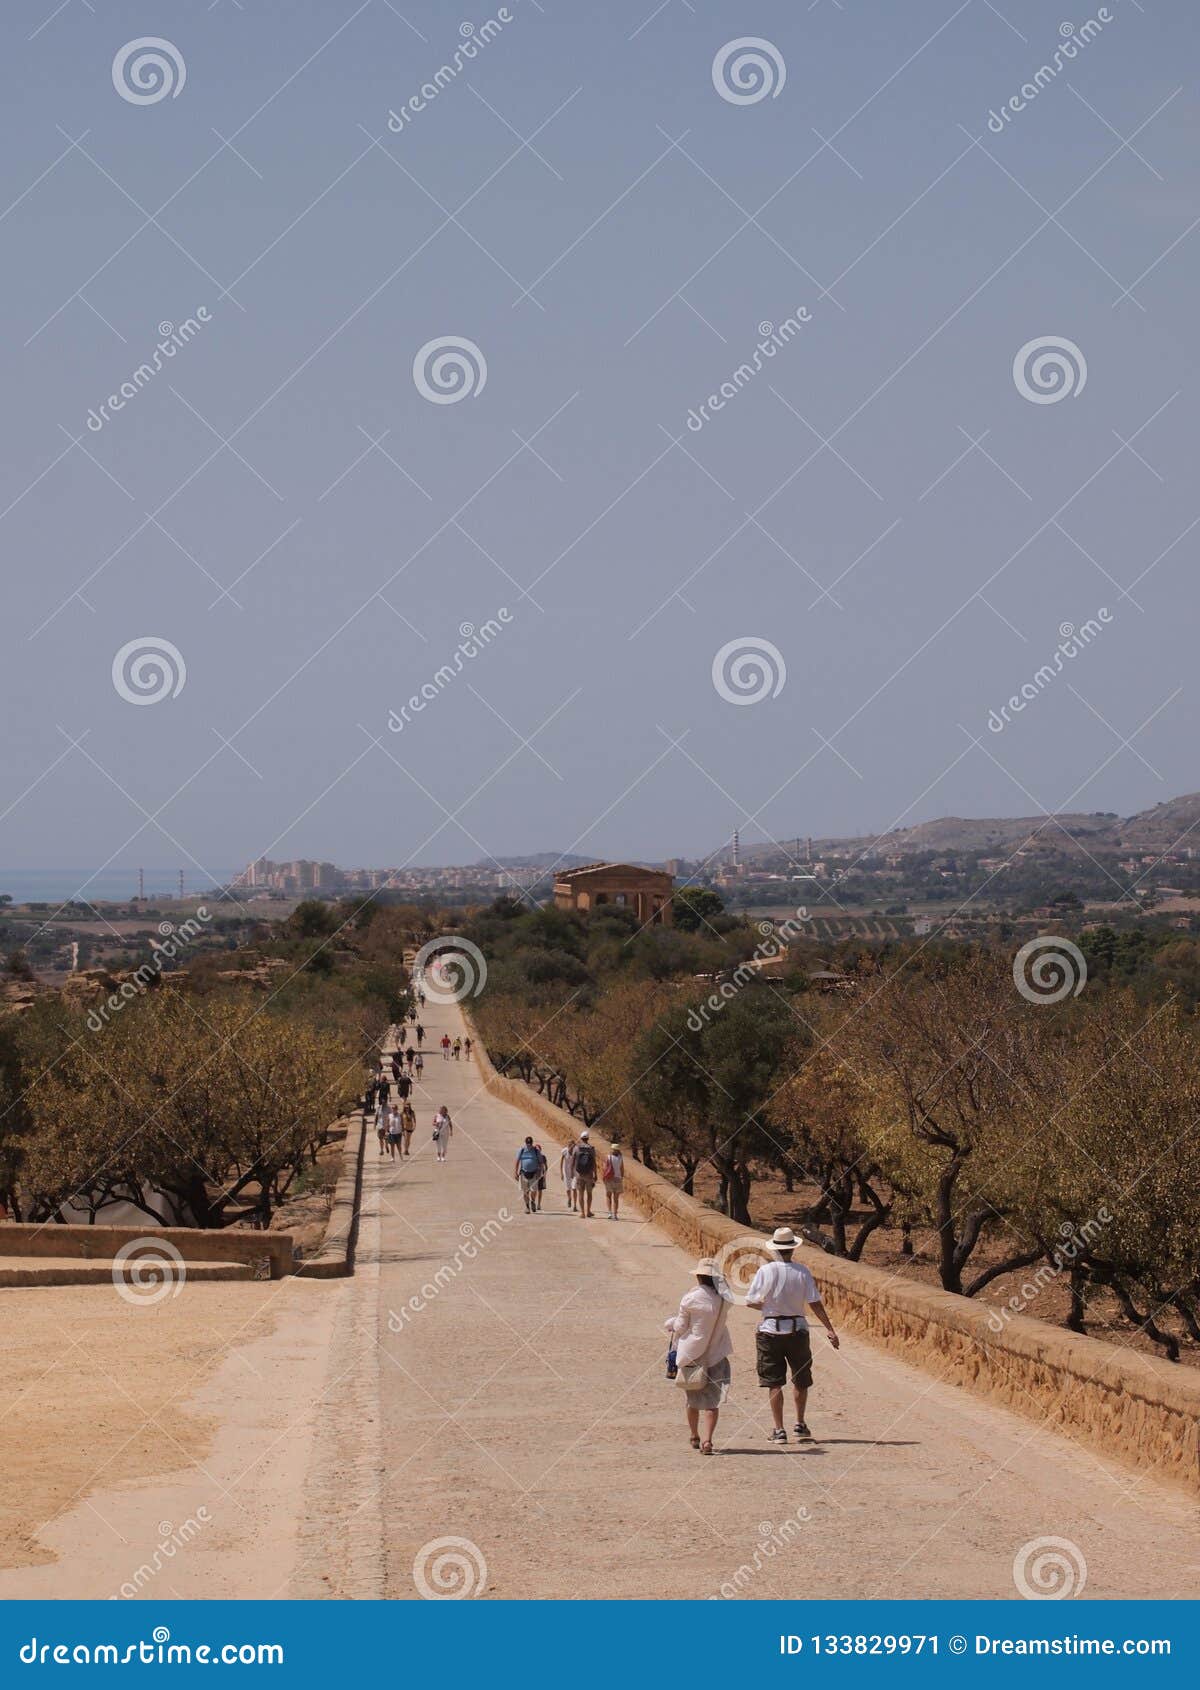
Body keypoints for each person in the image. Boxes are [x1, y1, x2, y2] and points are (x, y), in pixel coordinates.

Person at [746, 1227, 840, 1444]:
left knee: (774, 1381)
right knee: (801, 1378)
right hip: (798, 1330)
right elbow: (815, 1302)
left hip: (770, 1330)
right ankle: (799, 1423)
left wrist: (769, 1308)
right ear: (792, 1249)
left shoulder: (765, 1271)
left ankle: (779, 1429)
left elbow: (751, 1300)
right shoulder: (802, 1271)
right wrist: (829, 1329)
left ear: (775, 1250)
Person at [664, 1259, 733, 1455]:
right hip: (717, 1354)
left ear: (698, 1276)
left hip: (692, 1355)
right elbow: (730, 1294)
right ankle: (708, 1440)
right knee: (712, 1402)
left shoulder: (690, 1299)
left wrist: (669, 1323)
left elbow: (680, 1327)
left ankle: (694, 1435)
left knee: (692, 1400)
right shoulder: (724, 1300)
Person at [514, 1135, 542, 1213]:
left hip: (534, 1173)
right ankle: (527, 1207)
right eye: (527, 1143)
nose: (528, 1145)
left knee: (534, 1191)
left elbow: (540, 1163)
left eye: (530, 1143)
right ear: (525, 1143)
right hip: (524, 1173)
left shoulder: (536, 1151)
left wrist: (539, 1172)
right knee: (525, 1191)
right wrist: (515, 1172)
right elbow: (517, 1161)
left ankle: (532, 1201)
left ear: (532, 1143)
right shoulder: (522, 1150)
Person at [573, 1129, 597, 1218]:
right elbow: (594, 1163)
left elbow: (574, 1160)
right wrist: (595, 1174)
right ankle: (588, 1211)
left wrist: (573, 1172)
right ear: (588, 1138)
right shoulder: (591, 1149)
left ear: (581, 1138)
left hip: (579, 1174)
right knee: (589, 1193)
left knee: (581, 1193)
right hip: (589, 1174)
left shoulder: (577, 1148)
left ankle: (582, 1213)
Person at [602, 1140, 625, 1220]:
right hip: (618, 1179)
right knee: (616, 1198)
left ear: (612, 1149)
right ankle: (615, 1215)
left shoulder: (608, 1157)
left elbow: (605, 1168)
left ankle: (609, 1213)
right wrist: (621, 1178)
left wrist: (604, 1178)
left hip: (609, 1179)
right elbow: (622, 1169)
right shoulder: (621, 1157)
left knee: (608, 1196)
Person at [560, 1137, 578, 1211]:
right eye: (569, 1144)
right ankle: (569, 1198)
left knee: (574, 1188)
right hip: (566, 1172)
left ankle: (575, 1205)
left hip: (574, 1172)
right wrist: (561, 1172)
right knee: (568, 1188)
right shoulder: (564, 1151)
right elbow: (561, 1162)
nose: (570, 1145)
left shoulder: (576, 1151)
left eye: (572, 1144)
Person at [534, 1142, 547, 1210]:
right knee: (534, 1190)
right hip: (534, 1175)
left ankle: (539, 1204)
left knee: (540, 1190)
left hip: (541, 1176)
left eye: (538, 1149)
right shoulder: (533, 1157)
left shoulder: (543, 1157)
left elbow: (546, 1167)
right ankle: (533, 1202)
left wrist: (544, 1176)